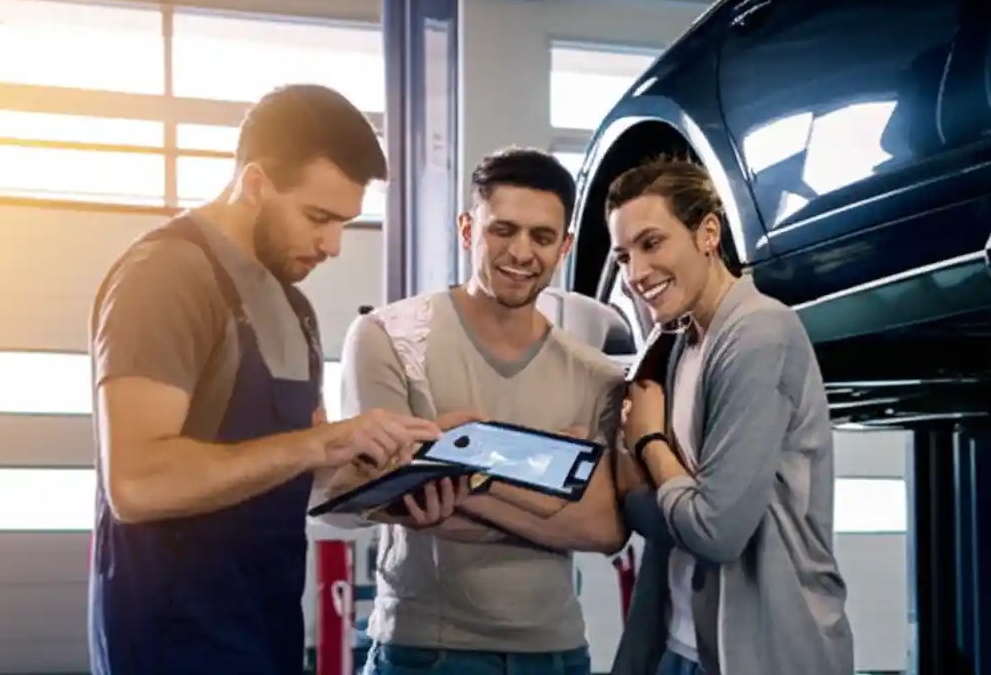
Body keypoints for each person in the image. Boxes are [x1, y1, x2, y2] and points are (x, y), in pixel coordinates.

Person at [87, 84, 442, 674]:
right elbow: (136, 483)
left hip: (265, 637)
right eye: (318, 218)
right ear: (255, 184)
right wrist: (320, 443)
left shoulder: (294, 308)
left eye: (345, 223)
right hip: (170, 647)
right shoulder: (164, 278)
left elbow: (311, 479)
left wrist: (405, 470)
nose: (332, 245)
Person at [319, 147, 629, 675]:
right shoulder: (387, 338)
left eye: (542, 236)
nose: (521, 252)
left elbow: (603, 529)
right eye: (502, 230)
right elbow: (362, 494)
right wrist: (544, 494)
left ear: (564, 247)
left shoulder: (594, 373)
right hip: (423, 651)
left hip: (557, 654)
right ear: (468, 230)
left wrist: (458, 478)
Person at [605, 159, 854, 675]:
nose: (636, 273)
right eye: (624, 256)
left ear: (708, 234)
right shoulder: (680, 342)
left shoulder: (760, 332)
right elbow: (671, 511)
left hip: (762, 654)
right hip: (681, 641)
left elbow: (715, 532)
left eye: (652, 244)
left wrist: (648, 442)